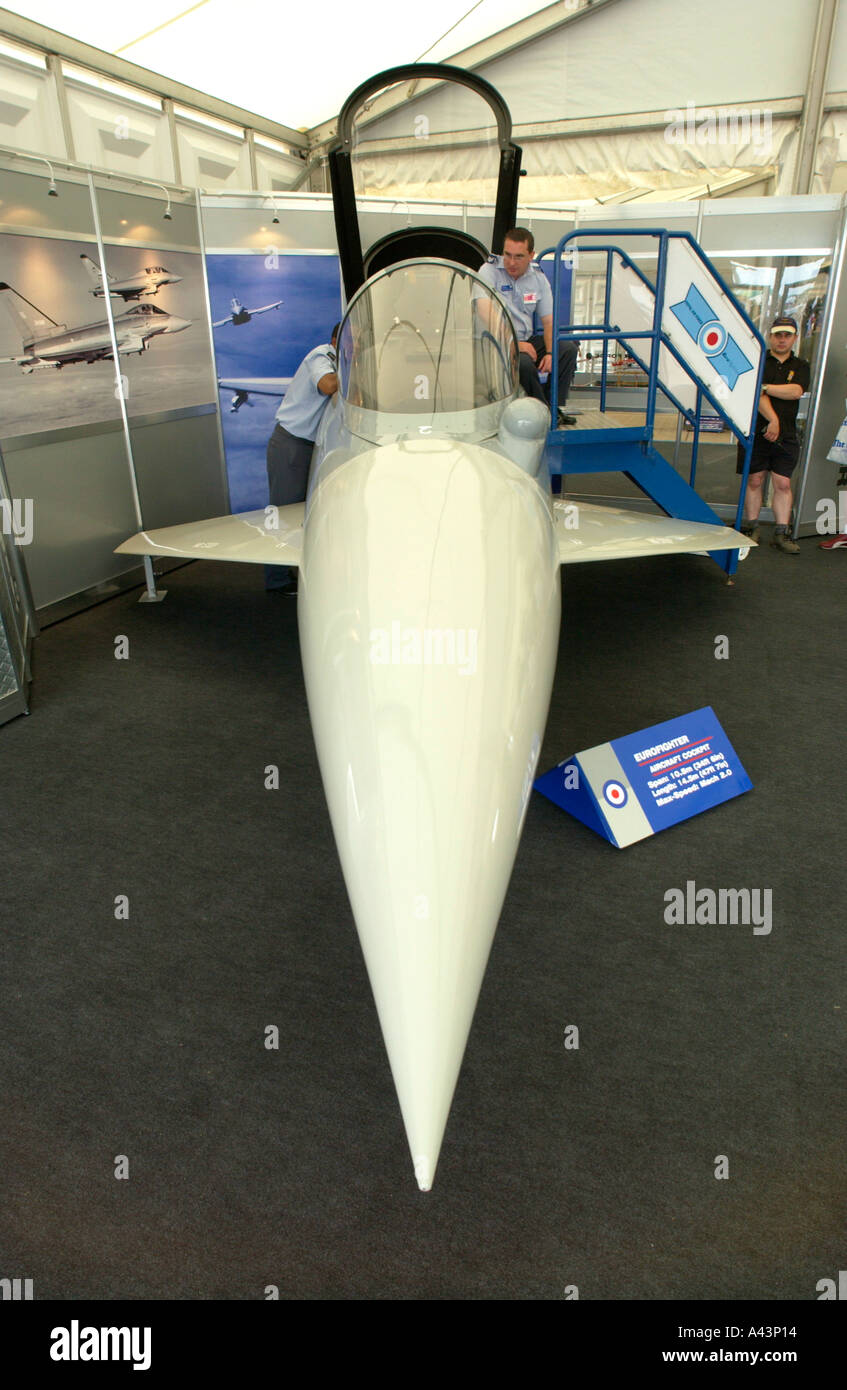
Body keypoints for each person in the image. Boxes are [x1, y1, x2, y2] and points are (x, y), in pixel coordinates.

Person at [476, 227, 579, 424]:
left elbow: (548, 321)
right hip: (496, 342)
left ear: (531, 255)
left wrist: (549, 353)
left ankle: (554, 405)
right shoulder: (488, 272)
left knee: (567, 350)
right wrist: (513, 342)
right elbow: (484, 312)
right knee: (522, 363)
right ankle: (543, 414)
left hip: (526, 340)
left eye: (519, 256)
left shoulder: (538, 278)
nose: (511, 262)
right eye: (507, 255)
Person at [265, 324, 339, 593]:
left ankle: (292, 572)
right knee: (283, 512)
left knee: (301, 512)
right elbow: (328, 385)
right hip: (291, 444)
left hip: (307, 447)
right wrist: (354, 370)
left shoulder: (334, 360)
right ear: (337, 340)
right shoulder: (321, 356)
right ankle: (276, 580)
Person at [737, 315, 810, 554]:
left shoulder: (801, 366)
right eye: (778, 334)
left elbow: (795, 391)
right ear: (770, 336)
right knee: (755, 480)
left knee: (783, 482)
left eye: (787, 335)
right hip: (756, 430)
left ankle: (781, 532)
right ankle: (753, 527)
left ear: (795, 338)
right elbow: (753, 394)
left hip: (786, 434)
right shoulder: (758, 362)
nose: (782, 339)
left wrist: (766, 387)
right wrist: (773, 420)